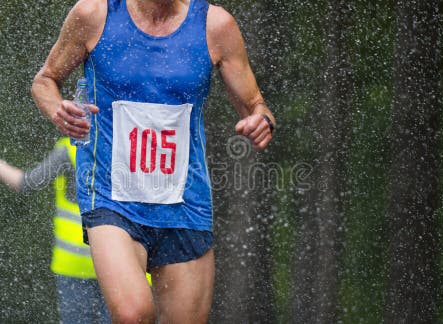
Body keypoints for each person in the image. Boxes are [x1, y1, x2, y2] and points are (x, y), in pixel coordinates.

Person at [29, 0, 275, 323]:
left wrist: (262, 121)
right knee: (133, 314)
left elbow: (256, 105)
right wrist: (57, 110)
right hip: (112, 196)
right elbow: (45, 80)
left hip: (184, 203)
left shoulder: (214, 26)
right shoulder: (94, 15)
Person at [0, 137, 110, 324]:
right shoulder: (130, 145)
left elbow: (26, 183)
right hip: (120, 263)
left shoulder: (70, 150)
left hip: (75, 264)